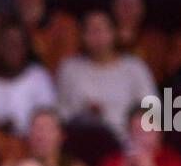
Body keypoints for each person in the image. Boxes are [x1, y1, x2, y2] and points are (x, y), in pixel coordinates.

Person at [56, 9, 154, 142]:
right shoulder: (69, 68)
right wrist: (84, 111)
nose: (96, 36)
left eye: (101, 30)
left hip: (124, 142)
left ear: (114, 32)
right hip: (78, 139)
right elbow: (60, 112)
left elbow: (151, 109)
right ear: (82, 35)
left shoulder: (134, 67)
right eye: (90, 30)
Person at [110, 0, 168, 82]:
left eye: (134, 3)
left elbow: (157, 79)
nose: (128, 8)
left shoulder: (155, 40)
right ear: (113, 6)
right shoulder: (100, 36)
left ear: (143, 8)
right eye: (123, 2)